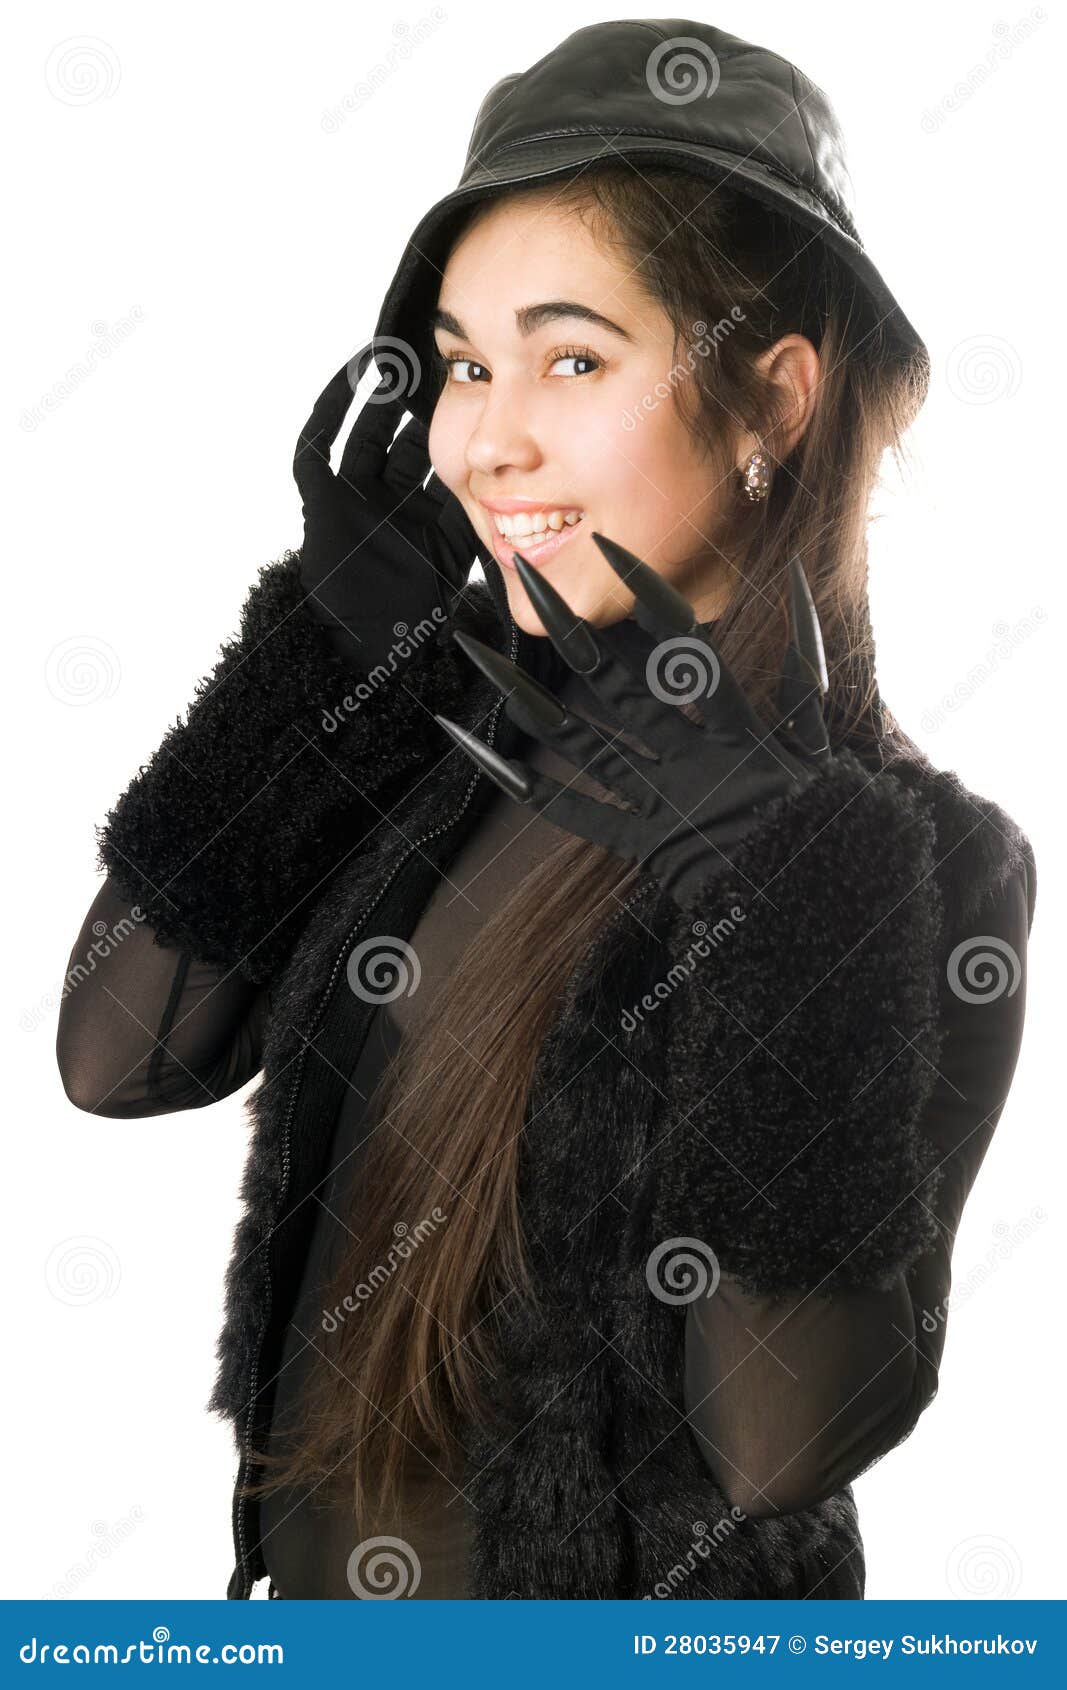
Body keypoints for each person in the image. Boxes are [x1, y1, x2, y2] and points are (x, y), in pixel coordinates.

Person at [56, 19, 1036, 1601]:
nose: (488, 437)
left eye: (573, 359)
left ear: (770, 398)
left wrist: (780, 887)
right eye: (462, 364)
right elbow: (117, 1055)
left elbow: (783, 1435)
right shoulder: (436, 737)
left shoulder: (916, 861)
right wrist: (329, 647)